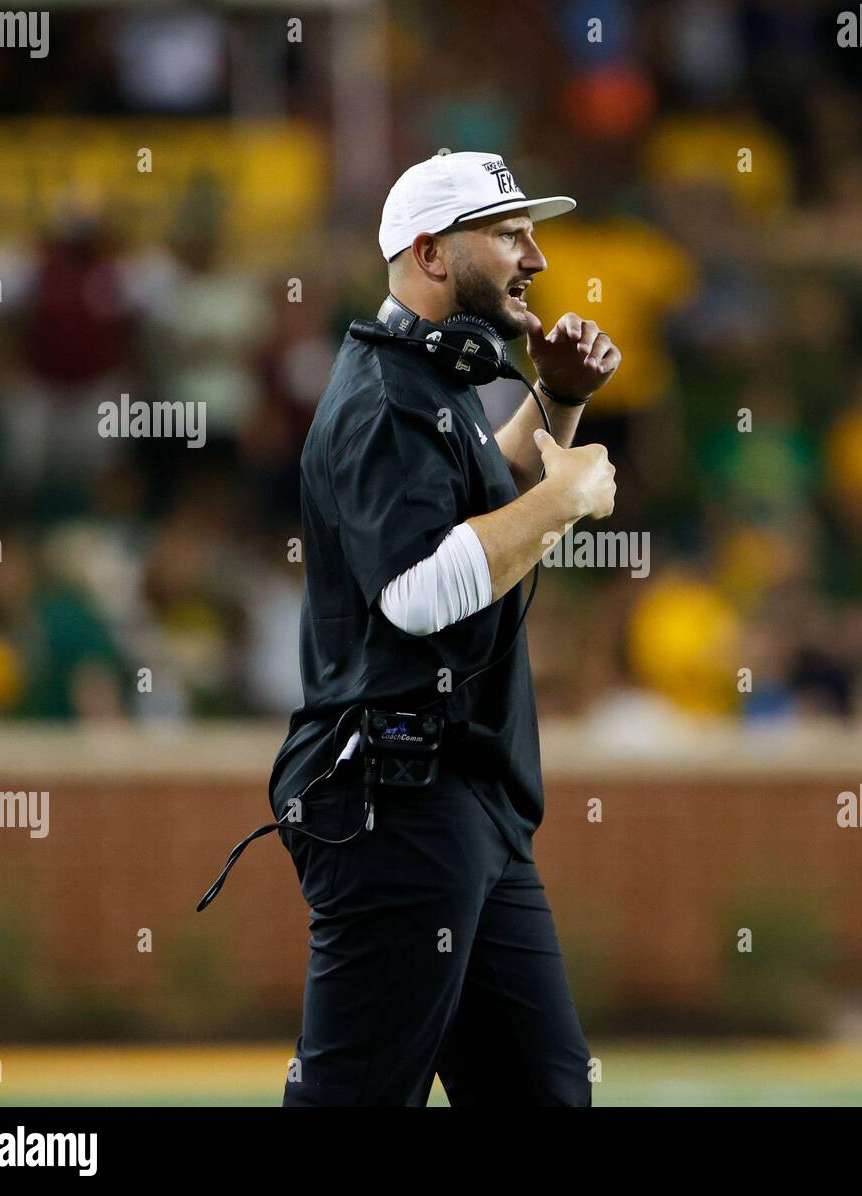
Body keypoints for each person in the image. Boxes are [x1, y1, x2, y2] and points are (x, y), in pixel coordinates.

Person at [269, 151, 619, 1106]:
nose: (535, 257)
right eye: (508, 234)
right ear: (430, 252)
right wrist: (564, 501)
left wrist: (556, 404)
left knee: (542, 1094)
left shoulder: (426, 382)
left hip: (462, 800)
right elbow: (419, 589)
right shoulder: (385, 397)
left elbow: (469, 501)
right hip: (399, 799)